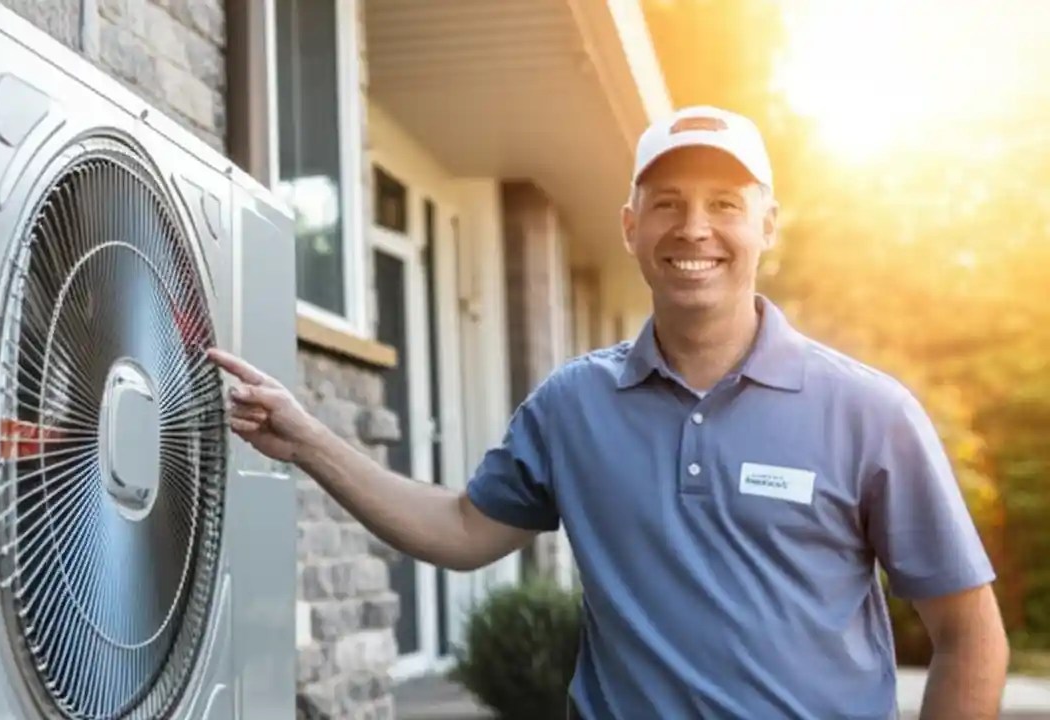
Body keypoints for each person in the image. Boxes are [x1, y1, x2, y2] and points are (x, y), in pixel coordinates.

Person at [207, 105, 1009, 719]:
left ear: (767, 225)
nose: (694, 228)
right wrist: (307, 441)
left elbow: (969, 635)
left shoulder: (868, 412)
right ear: (630, 228)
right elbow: (459, 531)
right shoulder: (573, 406)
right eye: (666, 203)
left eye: (725, 203)